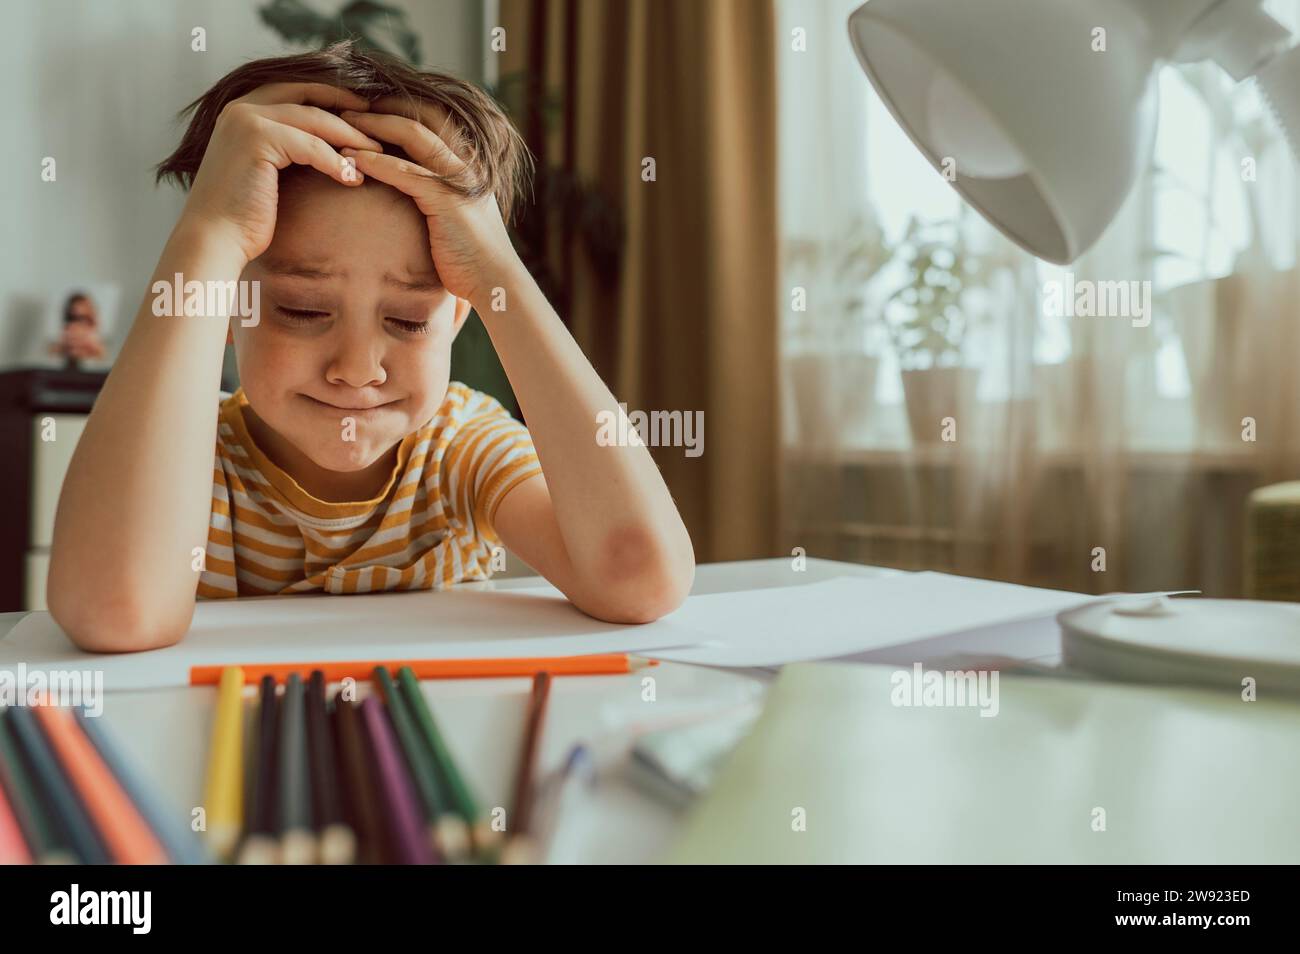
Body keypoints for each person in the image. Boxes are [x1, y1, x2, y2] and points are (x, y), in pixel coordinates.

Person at [47, 43, 694, 652]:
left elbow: (639, 580)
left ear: (459, 314)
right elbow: (115, 613)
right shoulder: (186, 456)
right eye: (302, 310)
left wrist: (499, 271)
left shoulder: (459, 448)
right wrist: (210, 233)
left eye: (410, 320)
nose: (357, 370)